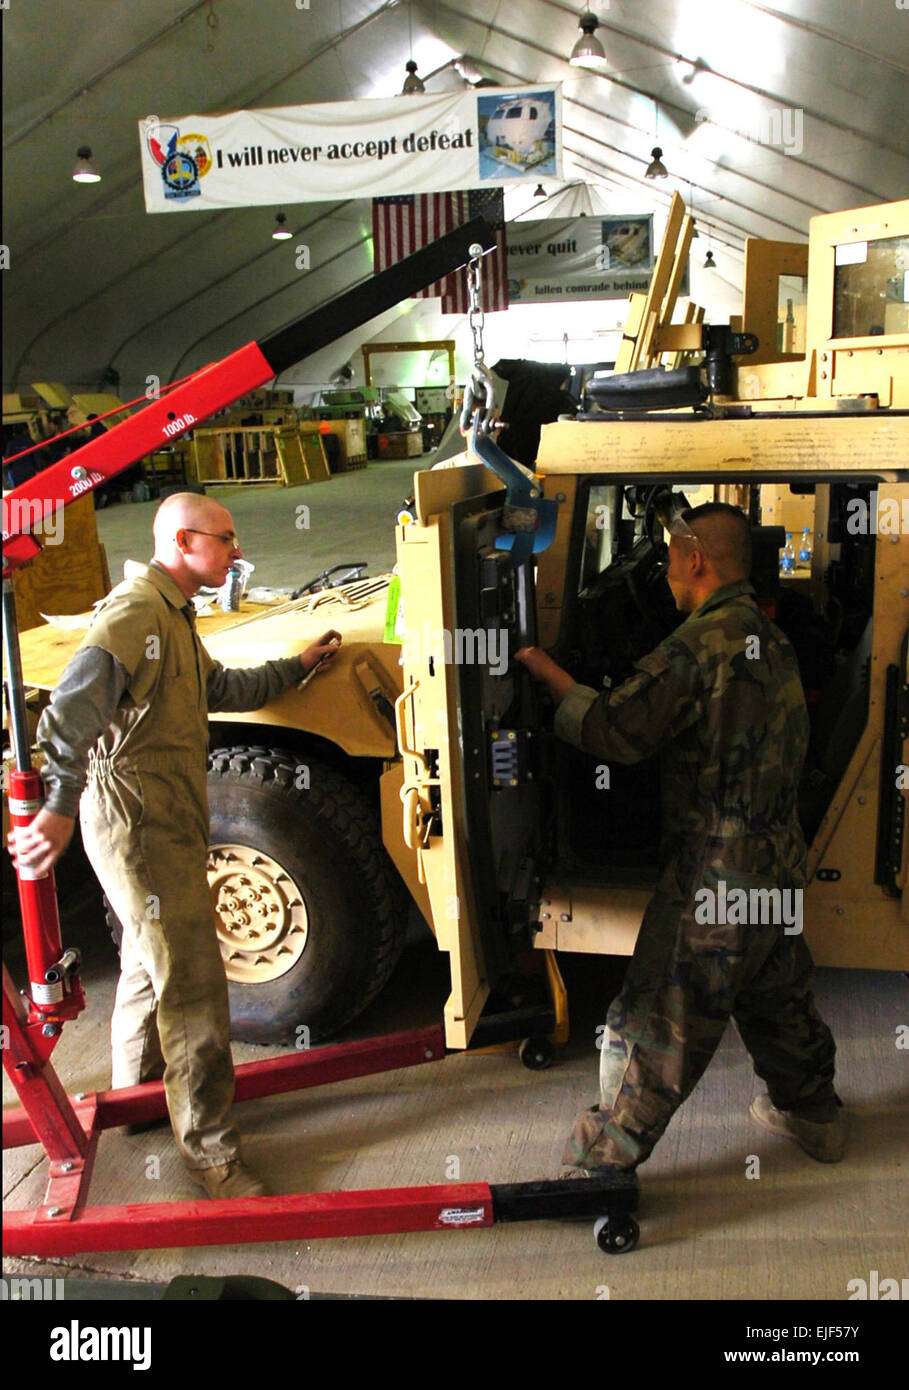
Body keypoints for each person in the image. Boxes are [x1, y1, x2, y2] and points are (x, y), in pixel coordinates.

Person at [8, 493, 342, 1199]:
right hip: (138, 818)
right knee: (191, 983)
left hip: (166, 807)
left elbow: (220, 686)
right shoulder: (135, 612)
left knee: (144, 954)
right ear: (184, 541)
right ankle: (212, 1154)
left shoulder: (173, 611)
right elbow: (68, 716)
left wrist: (297, 666)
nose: (236, 550)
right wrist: (59, 810)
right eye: (224, 540)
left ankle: (132, 1103)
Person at [515, 501, 844, 1177]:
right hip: (776, 861)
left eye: (667, 558)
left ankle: (601, 1165)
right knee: (774, 993)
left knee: (662, 1016)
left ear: (694, 560)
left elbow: (617, 730)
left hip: (716, 871)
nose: (663, 572)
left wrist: (550, 678)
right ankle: (813, 1115)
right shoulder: (768, 634)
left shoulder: (697, 645)